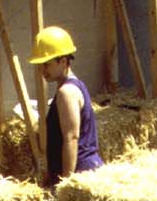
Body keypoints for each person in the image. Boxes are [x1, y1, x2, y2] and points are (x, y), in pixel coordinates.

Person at [29, 25, 103, 188]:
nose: (42, 70)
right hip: (81, 172)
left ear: (63, 61)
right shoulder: (74, 86)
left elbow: (71, 138)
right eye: (40, 65)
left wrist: (66, 184)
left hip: (79, 174)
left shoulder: (66, 92)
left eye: (46, 64)